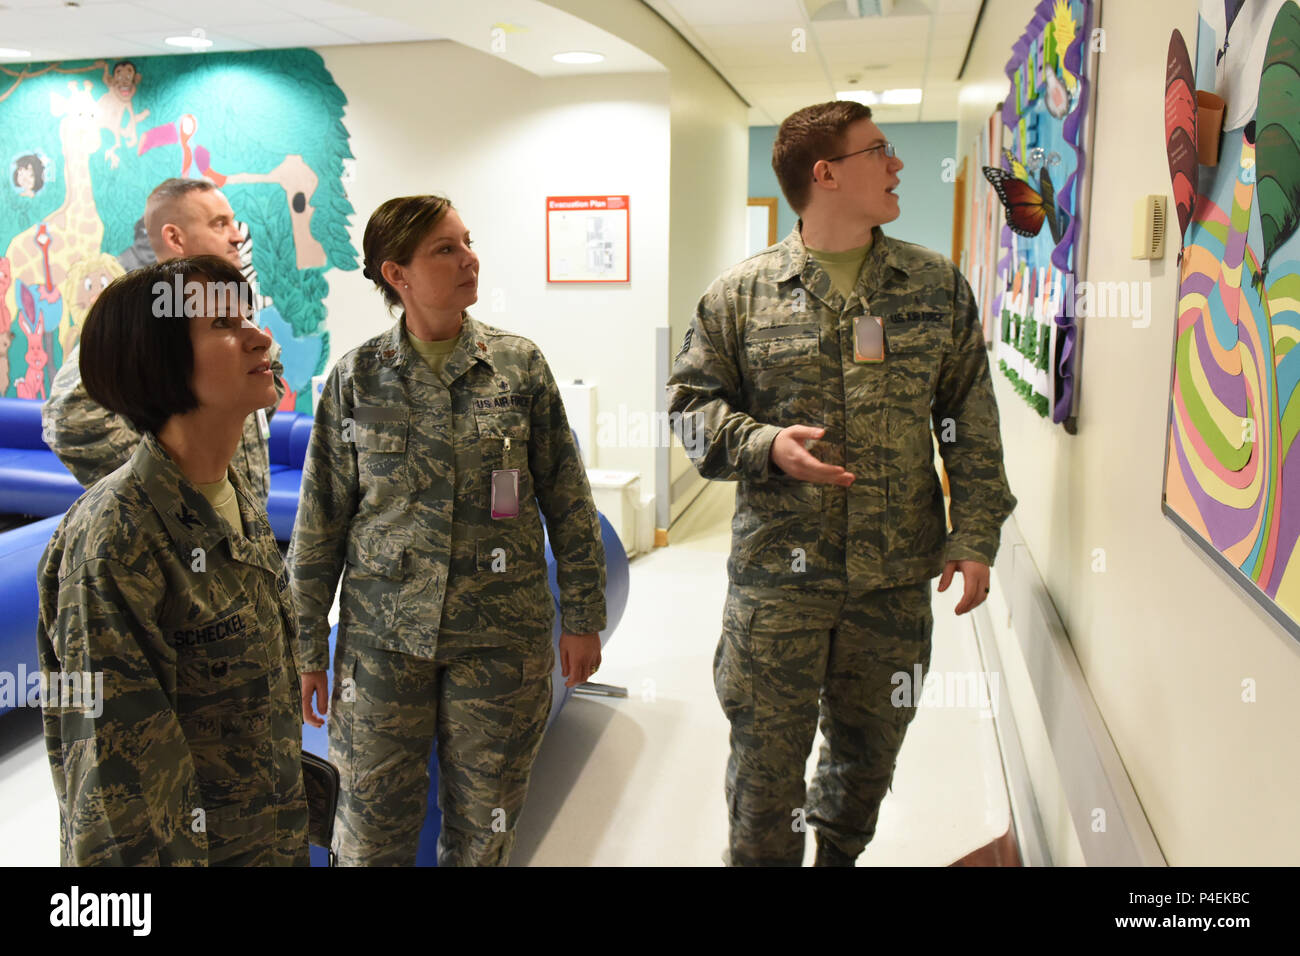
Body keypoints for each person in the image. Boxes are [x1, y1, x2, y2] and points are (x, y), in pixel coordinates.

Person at [666, 100, 1017, 866]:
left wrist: (975, 533)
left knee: (867, 762)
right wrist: (763, 445)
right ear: (825, 174)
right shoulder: (742, 295)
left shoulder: (934, 287)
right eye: (880, 152)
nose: (897, 165)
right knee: (765, 775)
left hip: (892, 583)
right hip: (777, 588)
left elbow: (969, 422)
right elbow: (689, 413)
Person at [289, 195, 607, 866]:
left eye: (468, 241)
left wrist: (582, 616)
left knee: (483, 829)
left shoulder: (519, 367)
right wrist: (307, 647)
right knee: (369, 829)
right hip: (381, 642)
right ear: (396, 273)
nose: (470, 258)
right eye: (446, 248)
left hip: (500, 635)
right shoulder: (356, 377)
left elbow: (569, 502)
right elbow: (319, 521)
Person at [37, 256, 309, 866]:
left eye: (246, 316)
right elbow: (118, 804)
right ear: (158, 362)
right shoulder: (117, 542)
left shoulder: (232, 494)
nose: (259, 336)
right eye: (221, 325)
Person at [42, 178, 284, 505]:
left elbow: (268, 375)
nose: (238, 235)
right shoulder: (151, 314)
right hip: (179, 535)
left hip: (240, 521)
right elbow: (70, 416)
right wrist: (169, 490)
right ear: (174, 237)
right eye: (219, 223)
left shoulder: (217, 300)